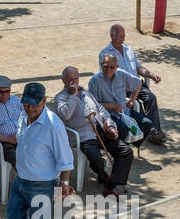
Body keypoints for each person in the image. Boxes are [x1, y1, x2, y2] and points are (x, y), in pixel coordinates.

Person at [6, 82, 75, 219]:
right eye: (26, 104)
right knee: (13, 216)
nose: (29, 108)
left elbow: (66, 159)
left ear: (44, 101)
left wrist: (63, 185)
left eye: (34, 104)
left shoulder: (53, 125)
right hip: (20, 180)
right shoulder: (23, 115)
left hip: (43, 185)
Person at [55, 66, 133, 197]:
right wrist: (73, 96)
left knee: (126, 151)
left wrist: (110, 125)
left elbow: (102, 111)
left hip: (100, 131)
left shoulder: (86, 93)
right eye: (70, 80)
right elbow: (65, 116)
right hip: (83, 137)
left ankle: (111, 184)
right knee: (96, 158)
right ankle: (105, 178)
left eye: (76, 79)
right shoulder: (60, 97)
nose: (74, 82)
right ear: (63, 80)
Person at [99, 24, 166, 144]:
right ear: (111, 36)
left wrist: (150, 74)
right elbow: (105, 74)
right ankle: (143, 131)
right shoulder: (105, 53)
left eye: (123, 36)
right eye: (119, 37)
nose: (122, 39)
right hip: (122, 87)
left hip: (136, 83)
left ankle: (154, 131)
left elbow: (139, 67)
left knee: (151, 98)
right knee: (136, 103)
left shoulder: (129, 49)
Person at [88, 54, 159, 143]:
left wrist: (132, 101)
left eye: (112, 67)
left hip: (125, 112)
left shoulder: (121, 74)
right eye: (106, 66)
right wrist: (112, 106)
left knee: (148, 124)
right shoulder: (95, 81)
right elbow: (92, 105)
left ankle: (131, 142)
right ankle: (125, 147)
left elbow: (138, 83)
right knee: (124, 130)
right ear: (101, 65)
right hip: (108, 116)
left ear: (117, 67)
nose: (108, 70)